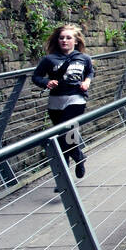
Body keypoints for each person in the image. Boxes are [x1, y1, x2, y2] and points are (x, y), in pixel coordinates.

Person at [31, 23, 94, 179]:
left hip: (76, 99)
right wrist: (46, 82)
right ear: (57, 40)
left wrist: (87, 82)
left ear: (76, 41)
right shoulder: (49, 59)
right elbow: (36, 77)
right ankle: (79, 157)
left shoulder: (84, 58)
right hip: (56, 102)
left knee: (62, 137)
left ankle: (64, 178)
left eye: (68, 38)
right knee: (68, 136)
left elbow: (90, 72)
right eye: (61, 38)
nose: (64, 40)